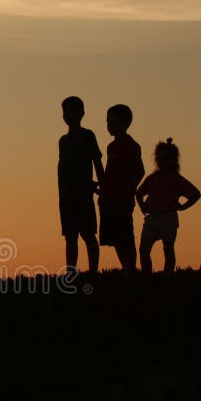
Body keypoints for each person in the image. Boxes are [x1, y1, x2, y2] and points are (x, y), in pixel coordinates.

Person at [136, 138, 201, 274]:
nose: (163, 162)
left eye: (167, 159)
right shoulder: (152, 178)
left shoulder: (176, 179)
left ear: (174, 161)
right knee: (144, 249)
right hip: (152, 217)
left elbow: (196, 194)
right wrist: (142, 206)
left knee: (168, 248)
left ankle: (168, 276)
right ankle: (147, 275)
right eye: (160, 159)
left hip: (168, 217)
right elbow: (139, 193)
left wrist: (183, 207)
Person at [57, 96, 104, 275]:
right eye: (65, 112)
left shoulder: (87, 135)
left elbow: (97, 161)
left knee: (88, 235)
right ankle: (70, 272)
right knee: (70, 237)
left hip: (83, 194)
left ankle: (93, 272)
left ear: (81, 113)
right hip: (66, 195)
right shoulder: (63, 140)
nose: (67, 115)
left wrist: (103, 185)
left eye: (72, 111)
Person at [99, 104, 145, 272]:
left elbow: (139, 171)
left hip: (122, 200)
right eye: (107, 122)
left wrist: (127, 192)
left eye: (113, 122)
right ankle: (126, 269)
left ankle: (130, 270)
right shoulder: (111, 147)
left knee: (125, 237)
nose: (109, 125)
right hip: (108, 200)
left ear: (125, 123)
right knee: (115, 238)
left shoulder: (131, 145)